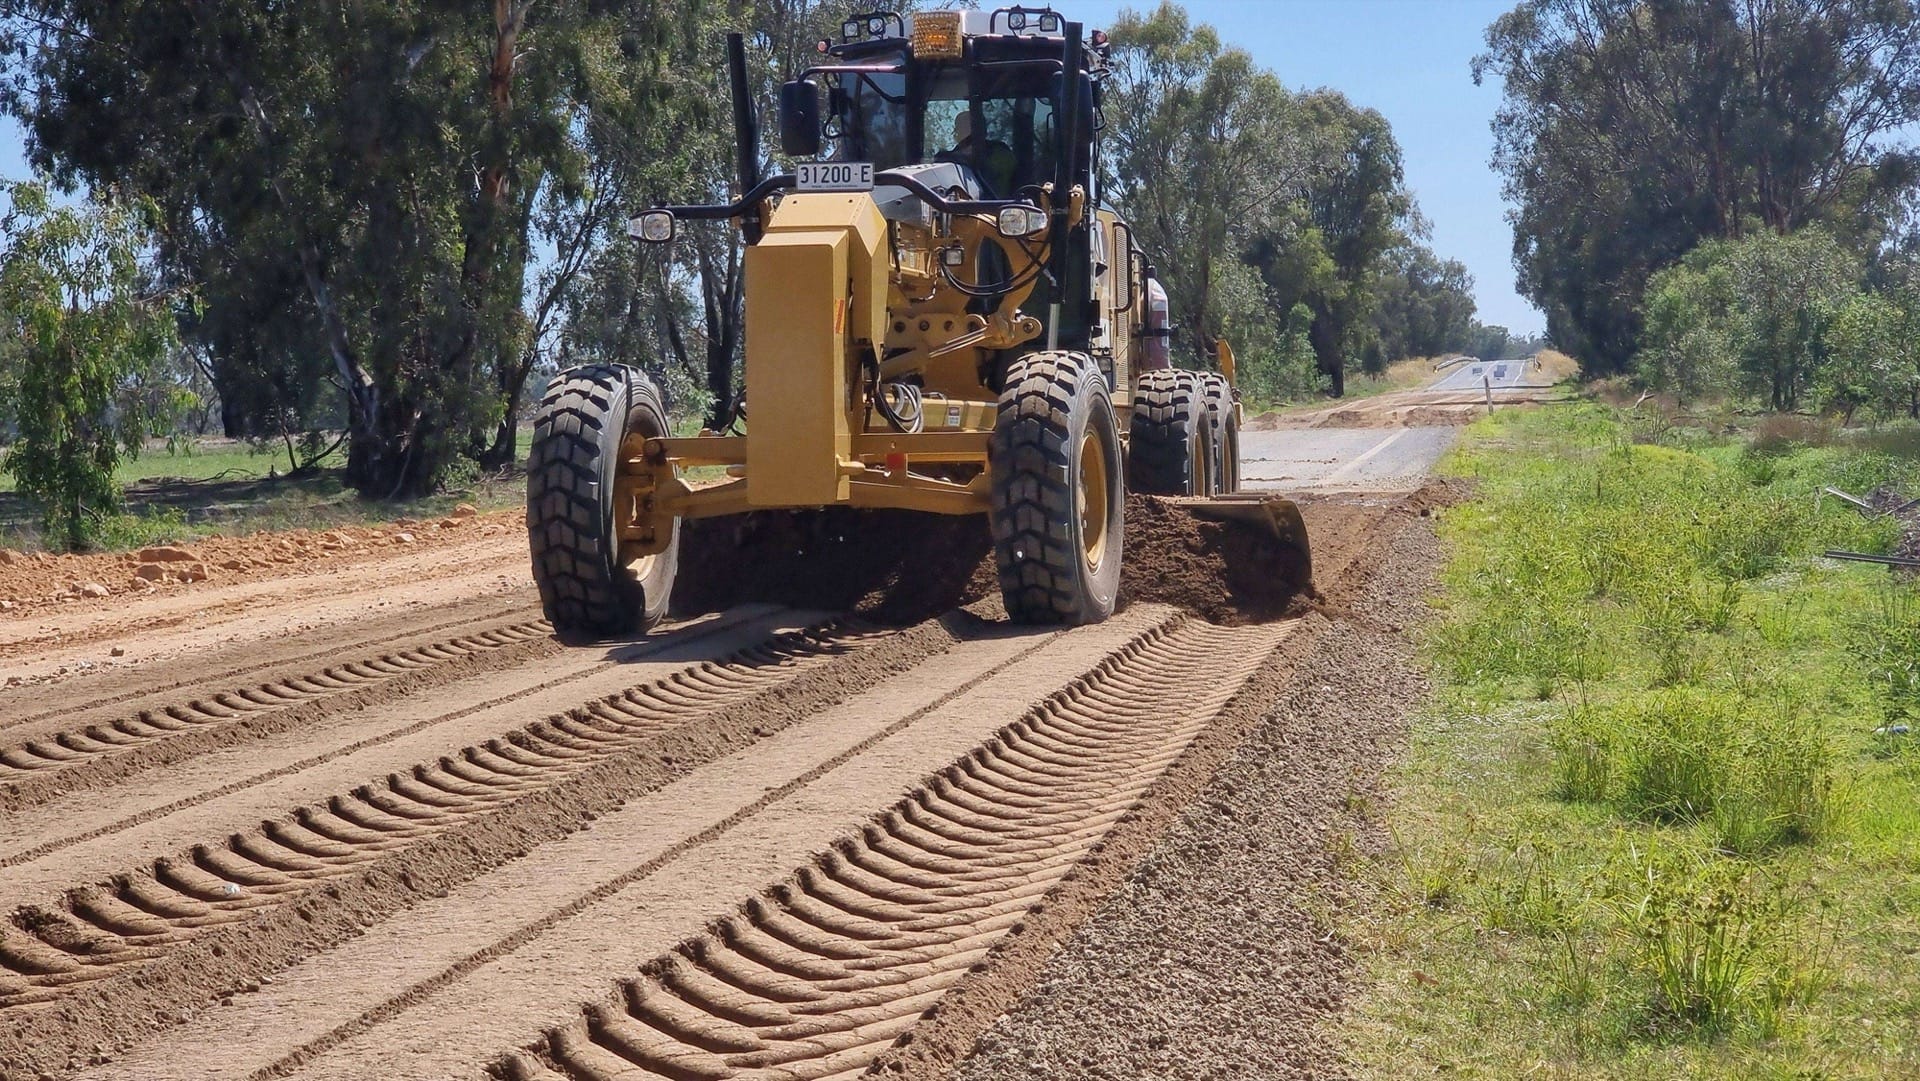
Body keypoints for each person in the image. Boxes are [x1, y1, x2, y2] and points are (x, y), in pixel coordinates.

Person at [939, 110, 1015, 195]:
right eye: (961, 129)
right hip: (952, 207)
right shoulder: (947, 160)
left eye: (966, 129)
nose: (961, 133)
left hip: (1000, 205)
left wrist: (970, 161)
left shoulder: (1000, 153)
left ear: (983, 131)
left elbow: (1000, 176)